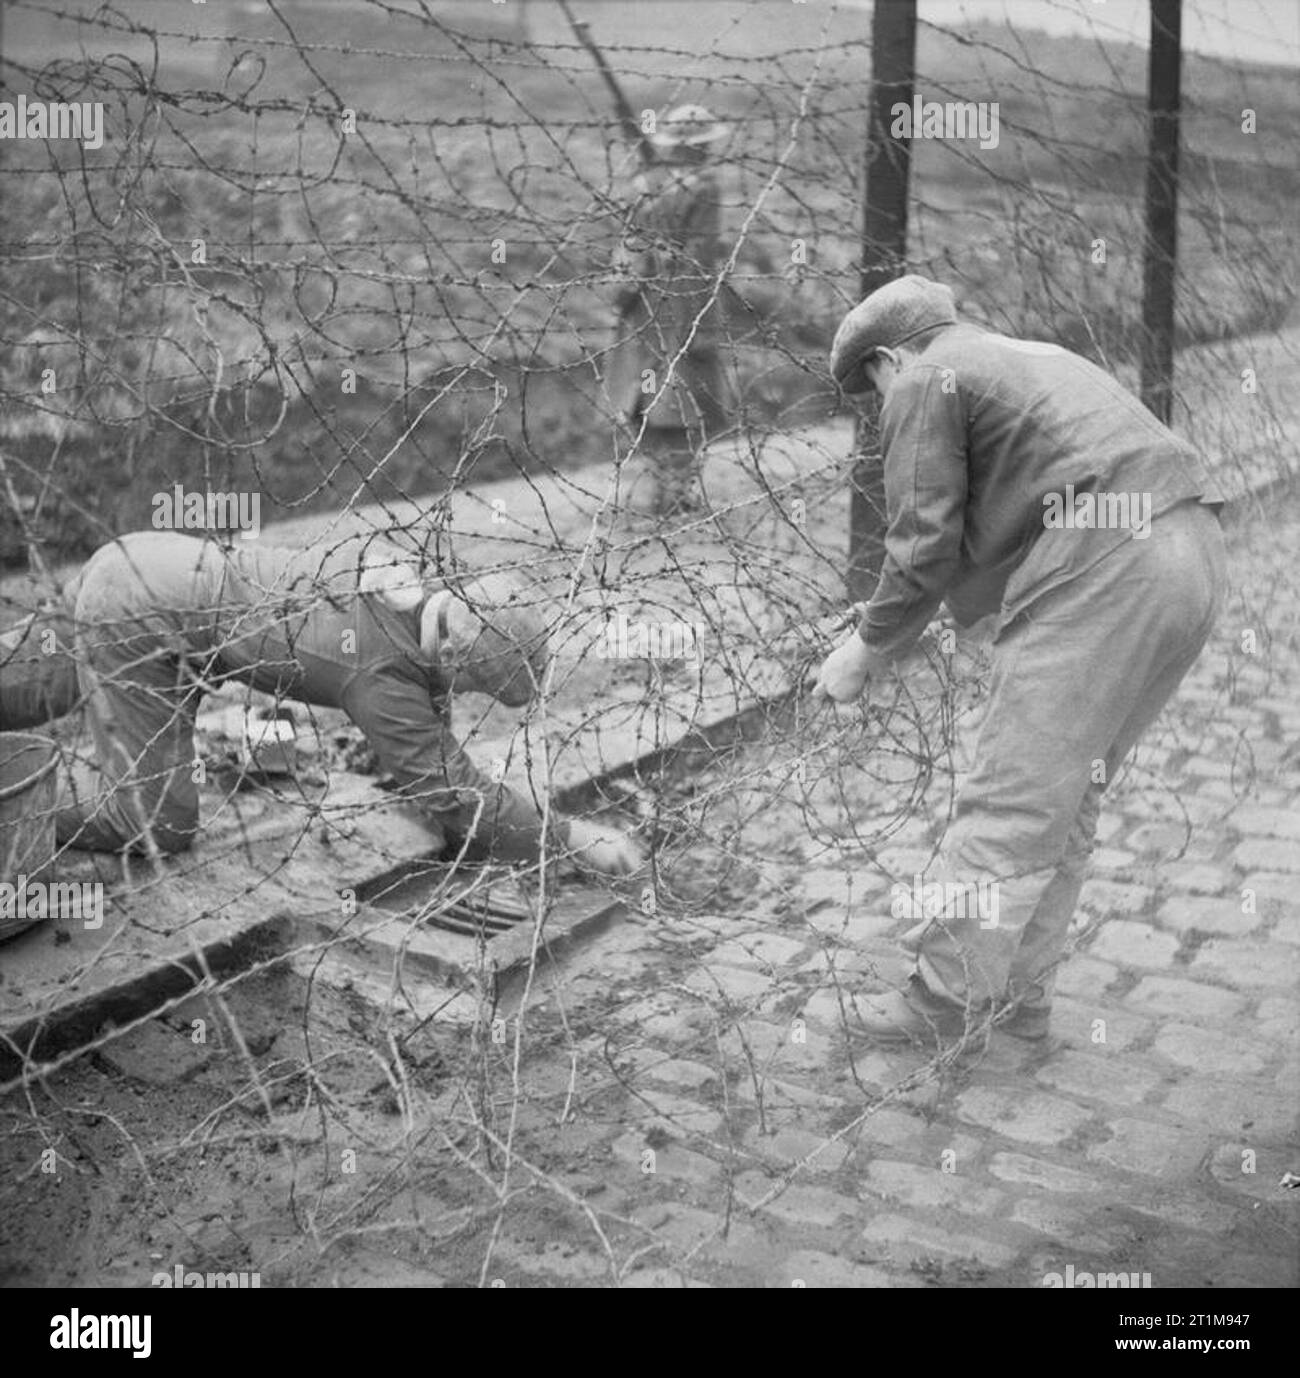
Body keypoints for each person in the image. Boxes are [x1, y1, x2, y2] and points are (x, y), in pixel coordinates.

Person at [814, 275, 1227, 1043]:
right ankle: (1016, 997)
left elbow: (921, 546)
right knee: (1069, 796)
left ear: (883, 361)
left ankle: (937, 1001)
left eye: (869, 392)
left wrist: (865, 649)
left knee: (1009, 798)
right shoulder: (1012, 352)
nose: (879, 412)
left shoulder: (922, 379)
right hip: (1192, 552)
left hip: (1108, 569)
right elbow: (1027, 497)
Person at [0, 531, 643, 875]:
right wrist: (569, 838)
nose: (465, 693)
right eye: (476, 685)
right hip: (143, 614)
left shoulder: (410, 584)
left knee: (42, 681)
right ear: (454, 658)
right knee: (157, 824)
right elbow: (456, 795)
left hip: (146, 561)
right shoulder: (382, 679)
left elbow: (426, 706)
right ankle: (14, 801)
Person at [605, 103, 729, 516]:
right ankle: (675, 488)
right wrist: (703, 324)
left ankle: (661, 482)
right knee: (681, 394)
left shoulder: (643, 182)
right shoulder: (705, 186)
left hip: (641, 301)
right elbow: (701, 254)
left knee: (646, 390)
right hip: (681, 300)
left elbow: (627, 247)